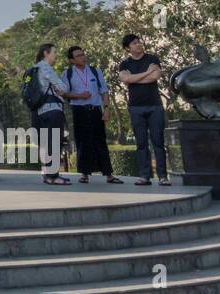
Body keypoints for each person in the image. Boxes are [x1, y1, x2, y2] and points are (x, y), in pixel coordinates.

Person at [64, 46, 123, 184]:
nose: (83, 57)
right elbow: (65, 93)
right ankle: (84, 174)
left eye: (83, 54)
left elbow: (104, 91)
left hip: (96, 110)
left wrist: (107, 109)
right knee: (83, 142)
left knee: (100, 141)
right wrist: (79, 95)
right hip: (79, 110)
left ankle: (108, 175)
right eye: (78, 56)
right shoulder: (67, 74)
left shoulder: (95, 71)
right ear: (72, 60)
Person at [118, 34, 170, 186]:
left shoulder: (152, 59)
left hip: (155, 106)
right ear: (128, 48)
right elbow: (126, 79)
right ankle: (144, 176)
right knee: (141, 144)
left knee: (158, 142)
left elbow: (155, 77)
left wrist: (136, 78)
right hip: (135, 107)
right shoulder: (124, 64)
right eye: (135, 43)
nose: (139, 44)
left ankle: (162, 176)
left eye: (139, 41)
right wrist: (147, 73)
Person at [32, 44, 72, 186]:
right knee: (55, 142)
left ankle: (47, 174)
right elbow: (63, 88)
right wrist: (62, 89)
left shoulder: (34, 68)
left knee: (45, 143)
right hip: (52, 109)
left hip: (38, 110)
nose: (56, 55)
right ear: (46, 53)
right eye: (54, 52)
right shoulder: (45, 68)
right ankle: (53, 176)